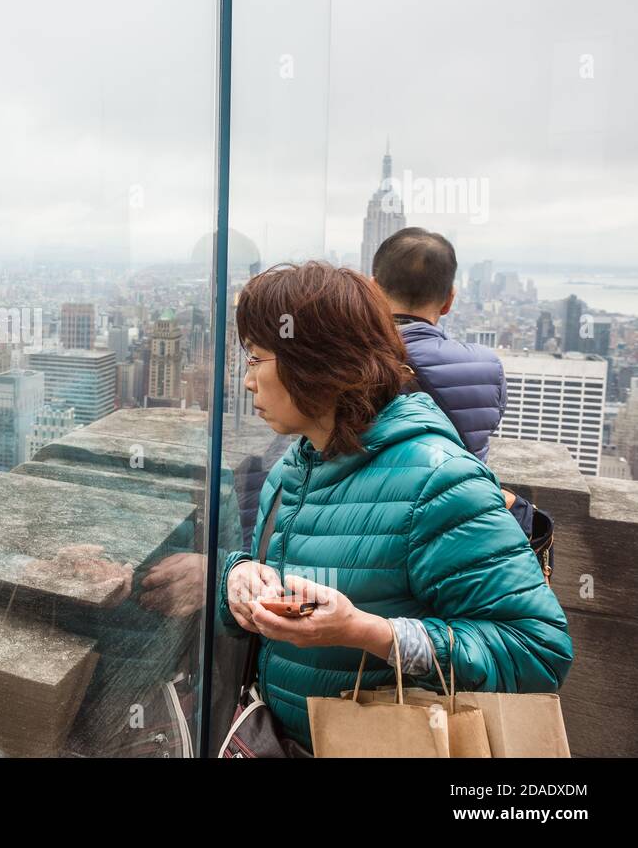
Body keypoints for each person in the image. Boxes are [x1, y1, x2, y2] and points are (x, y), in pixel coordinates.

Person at [217, 261, 572, 753]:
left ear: (318, 363)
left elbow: (539, 652)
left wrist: (369, 633)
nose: (248, 381)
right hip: (281, 739)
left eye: (257, 360)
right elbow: (276, 580)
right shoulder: (297, 465)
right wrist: (238, 579)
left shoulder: (436, 479)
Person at [371, 226, 505, 462]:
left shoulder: (351, 359)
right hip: (458, 496)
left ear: (372, 290)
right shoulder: (487, 366)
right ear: (449, 300)